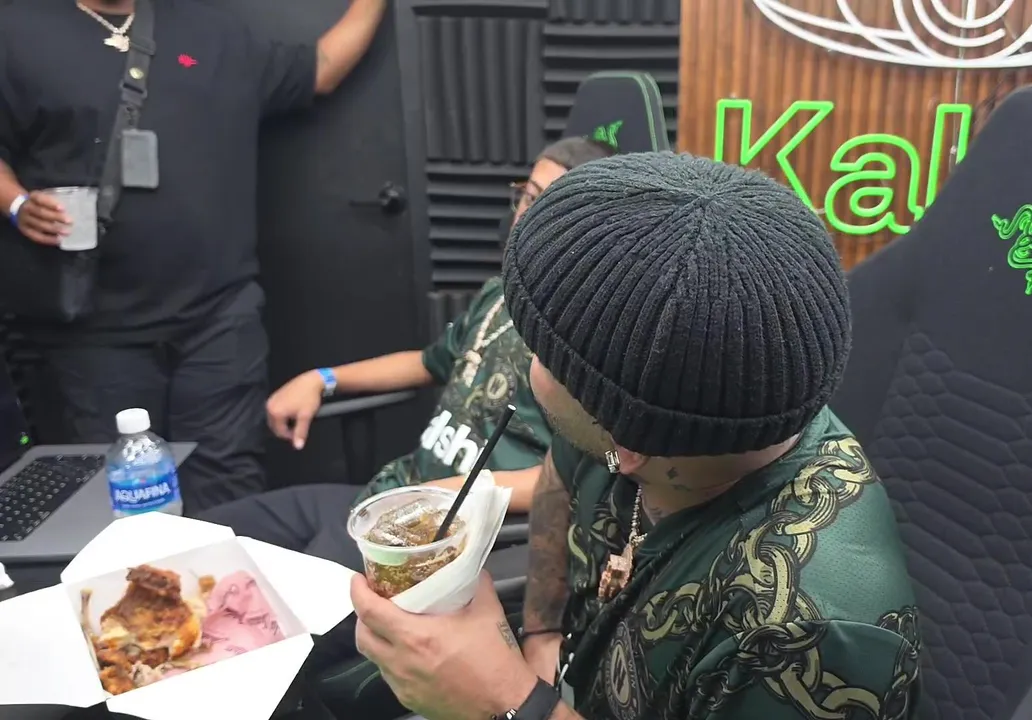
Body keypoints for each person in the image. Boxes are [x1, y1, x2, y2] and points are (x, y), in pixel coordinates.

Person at [349, 152, 922, 720]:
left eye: (541, 355)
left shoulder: (809, 634)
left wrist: (506, 704)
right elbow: (557, 478)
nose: (530, 363)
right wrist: (542, 631)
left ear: (628, 447)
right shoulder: (617, 410)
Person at [197, 136, 617, 666]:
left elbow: (575, 475)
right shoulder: (500, 294)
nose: (525, 218)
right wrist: (322, 378)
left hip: (432, 543)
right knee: (201, 538)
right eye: (527, 197)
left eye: (548, 205)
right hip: (388, 496)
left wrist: (453, 495)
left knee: (241, 630)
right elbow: (427, 362)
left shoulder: (590, 337)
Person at [0, 0, 385, 513]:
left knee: (229, 492)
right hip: (93, 331)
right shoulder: (16, 30)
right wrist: (16, 203)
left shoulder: (211, 28)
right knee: (119, 506)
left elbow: (321, 69)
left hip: (217, 320)